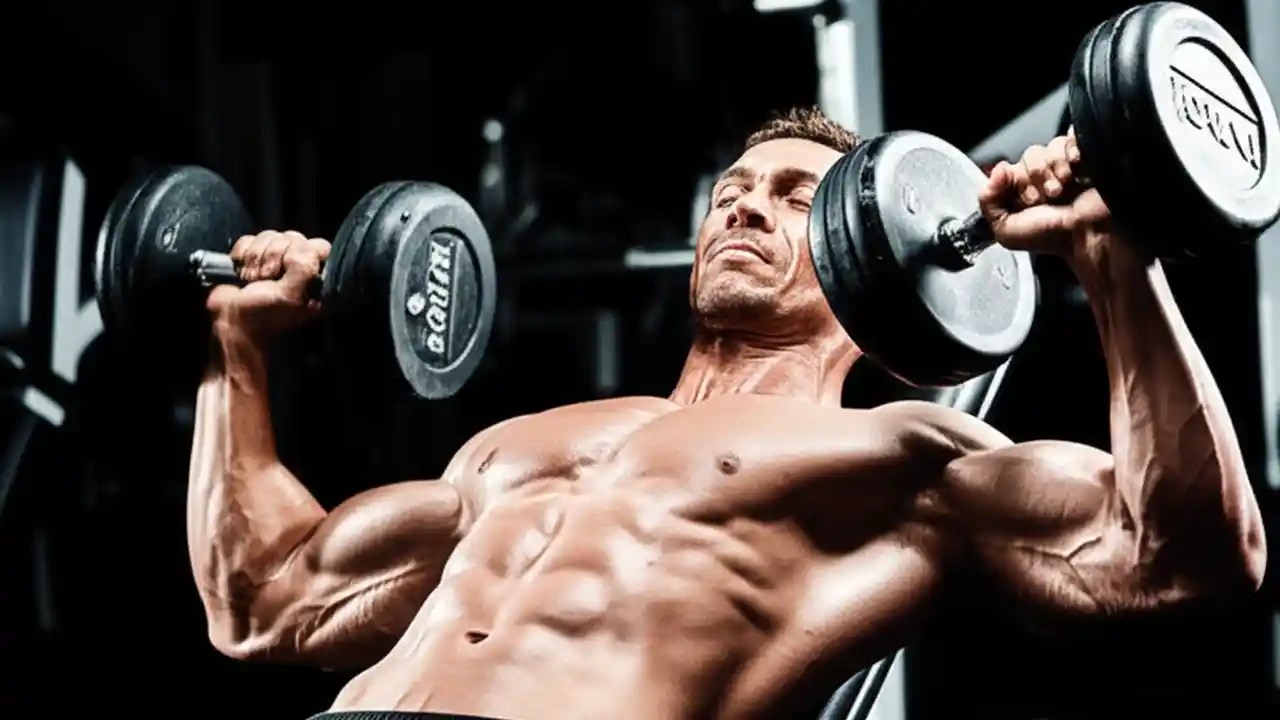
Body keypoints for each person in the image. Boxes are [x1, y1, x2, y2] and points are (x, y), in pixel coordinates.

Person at [188, 107, 1267, 720]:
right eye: (731, 191)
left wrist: (1109, 259)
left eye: (795, 195)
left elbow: (1182, 558)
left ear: (878, 249)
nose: (744, 202)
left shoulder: (902, 459)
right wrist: (233, 352)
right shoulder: (514, 446)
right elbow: (264, 599)